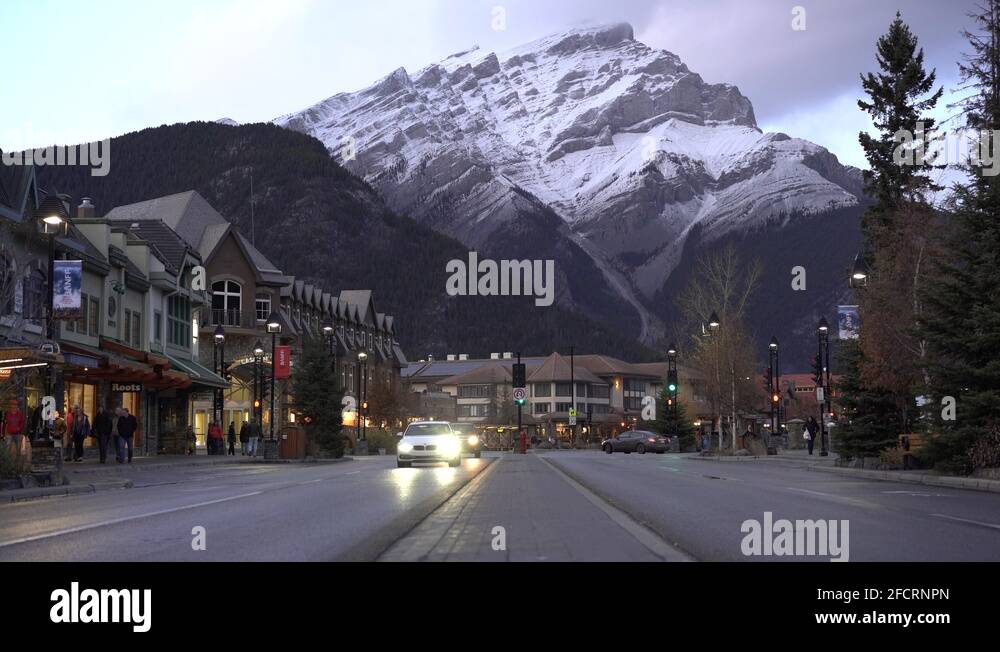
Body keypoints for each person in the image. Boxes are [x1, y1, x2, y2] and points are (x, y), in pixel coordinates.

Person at [2, 399, 30, 466]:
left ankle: (17, 462)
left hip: (18, 434)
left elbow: (22, 422)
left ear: (16, 406)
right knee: (7, 449)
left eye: (15, 405)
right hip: (9, 433)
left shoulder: (19, 414)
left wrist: (19, 428)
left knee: (18, 448)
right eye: (12, 405)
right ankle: (7, 462)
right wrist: (3, 434)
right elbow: (5, 423)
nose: (13, 407)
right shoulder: (7, 413)